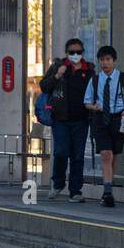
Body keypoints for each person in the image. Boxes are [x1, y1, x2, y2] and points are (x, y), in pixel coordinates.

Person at [84, 45, 124, 208]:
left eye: (108, 59)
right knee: (106, 154)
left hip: (118, 119)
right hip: (100, 119)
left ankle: (108, 187)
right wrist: (93, 107)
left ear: (114, 61)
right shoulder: (95, 80)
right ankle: (107, 193)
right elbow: (87, 101)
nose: (105, 63)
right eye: (102, 60)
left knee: (113, 155)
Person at [41, 38, 96, 202]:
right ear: (67, 53)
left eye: (78, 52)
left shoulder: (89, 70)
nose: (75, 55)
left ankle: (75, 191)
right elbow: (44, 86)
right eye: (72, 52)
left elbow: (95, 91)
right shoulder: (58, 67)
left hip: (81, 119)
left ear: (83, 53)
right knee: (61, 152)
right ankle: (58, 183)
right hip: (60, 119)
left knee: (77, 155)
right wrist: (58, 75)